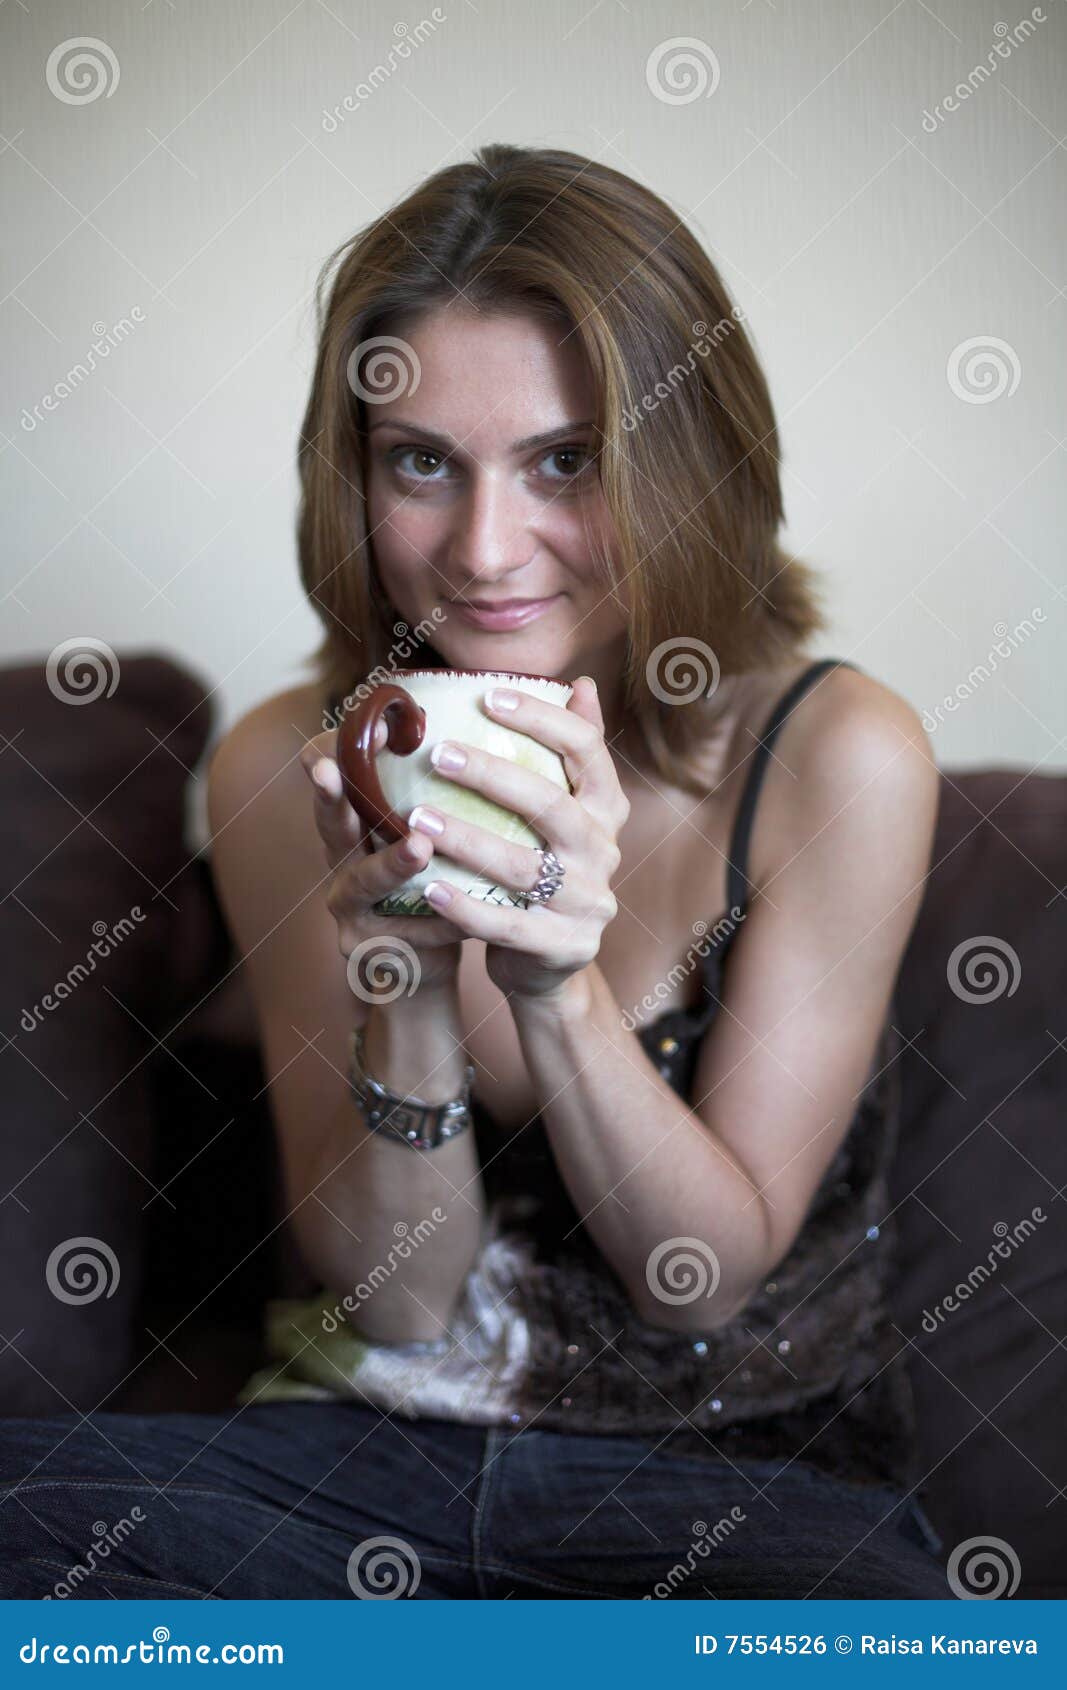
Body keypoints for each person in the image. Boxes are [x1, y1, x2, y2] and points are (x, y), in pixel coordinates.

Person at [0, 143, 946, 1600]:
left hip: (735, 1480)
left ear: (686, 466)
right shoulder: (289, 762)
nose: (487, 552)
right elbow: (400, 1301)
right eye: (424, 463)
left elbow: (699, 1279)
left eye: (567, 460)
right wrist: (408, 980)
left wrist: (560, 992)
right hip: (364, 1455)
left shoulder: (838, 755)